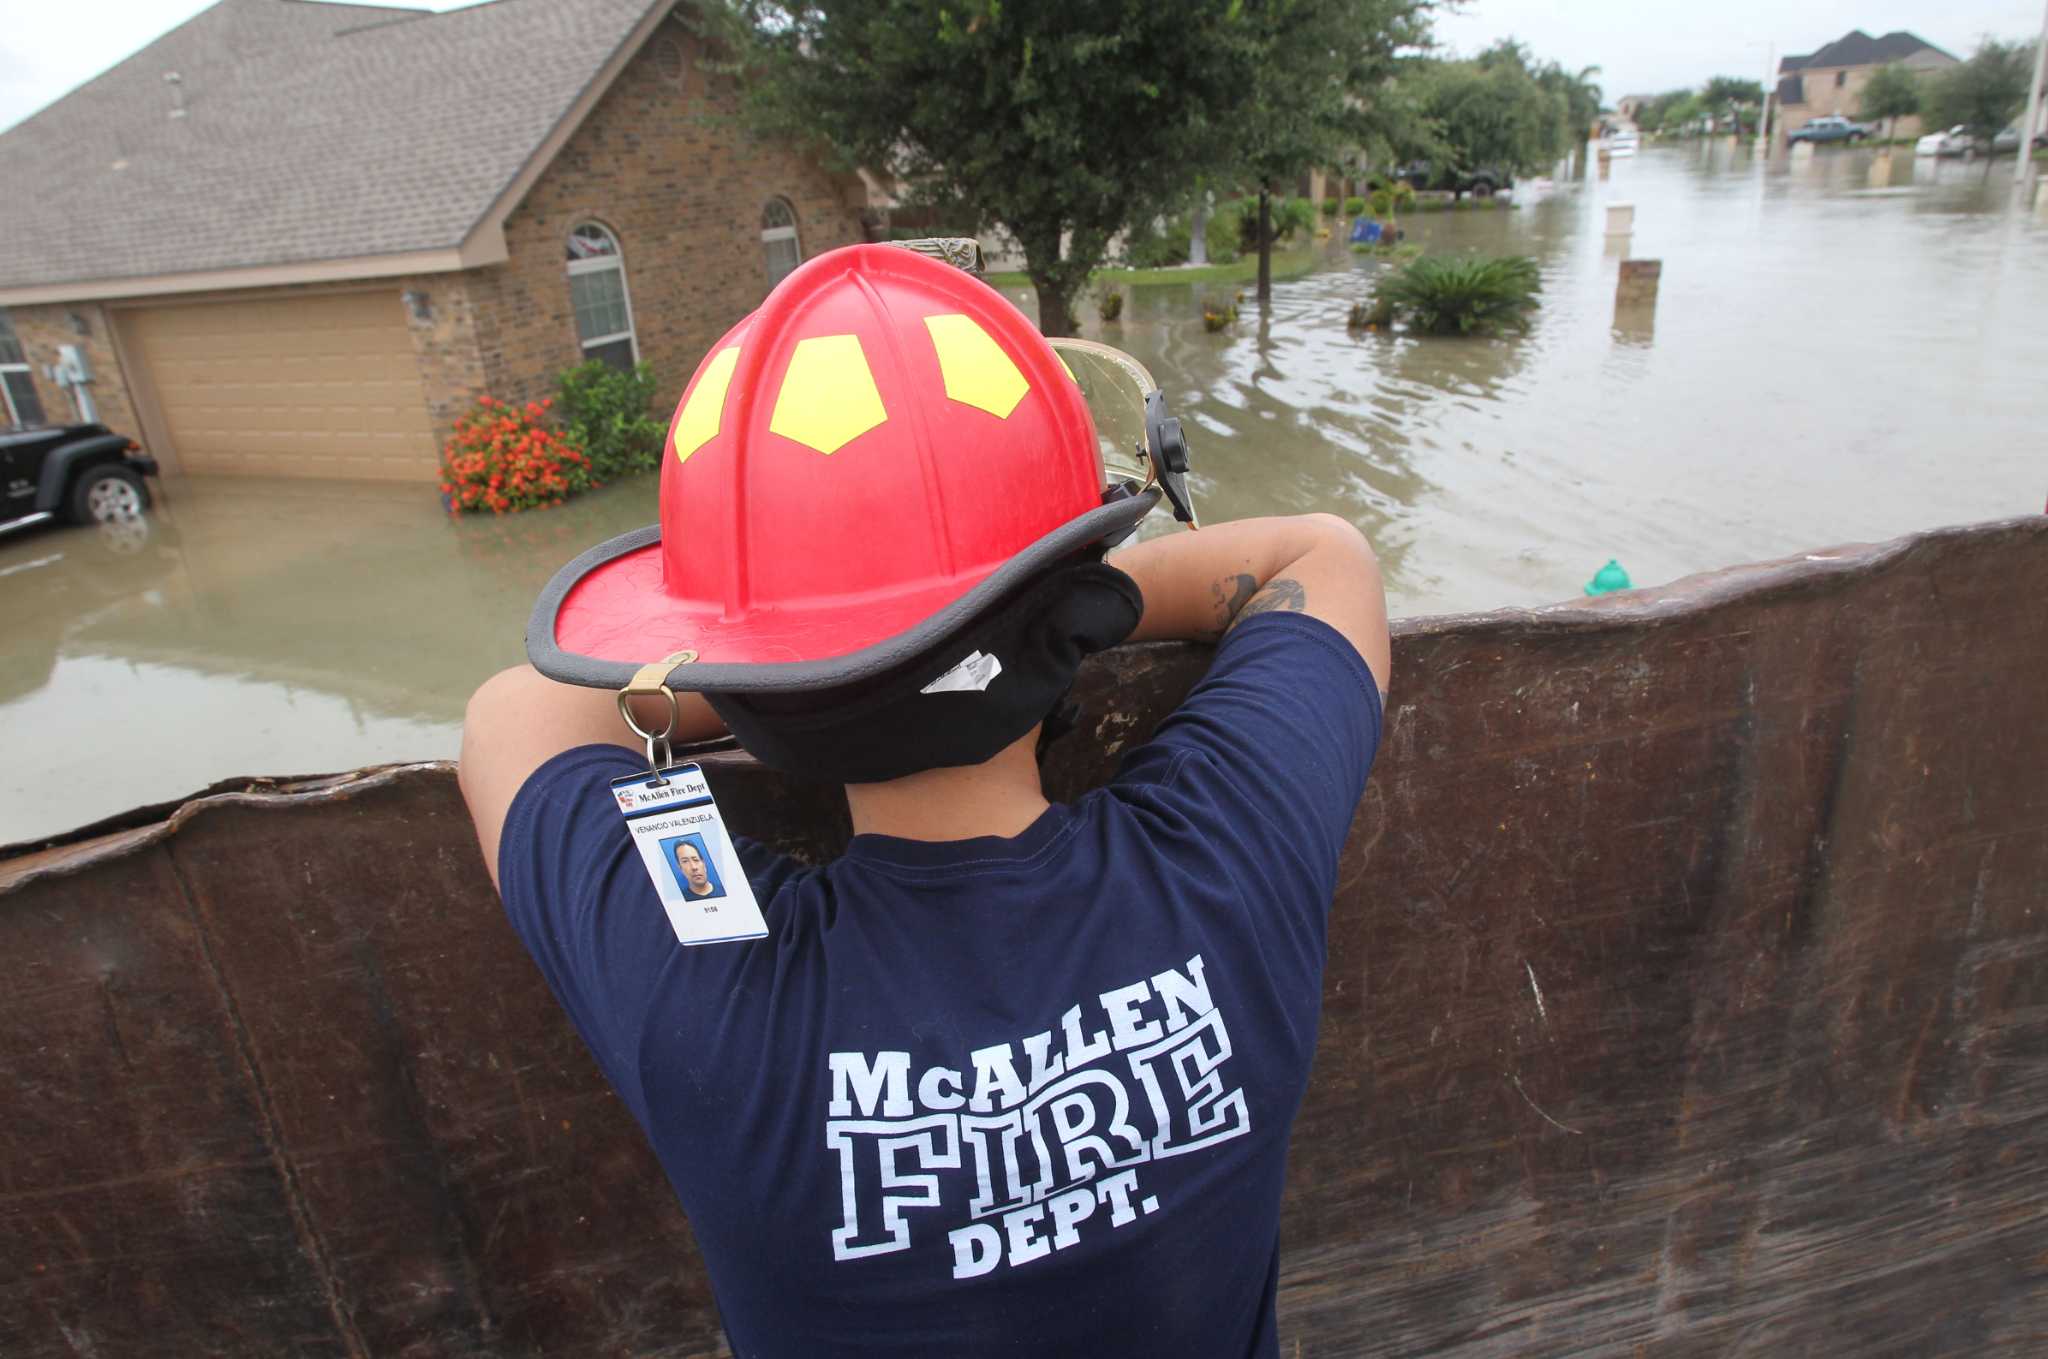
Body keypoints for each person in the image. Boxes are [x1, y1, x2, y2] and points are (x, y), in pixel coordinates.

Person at [458, 243, 1390, 1358]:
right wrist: (1034, 606)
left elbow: (520, 711)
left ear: (757, 688)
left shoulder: (714, 1004)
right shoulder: (1229, 859)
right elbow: (1322, 555)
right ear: (1069, 609)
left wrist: (803, 654)